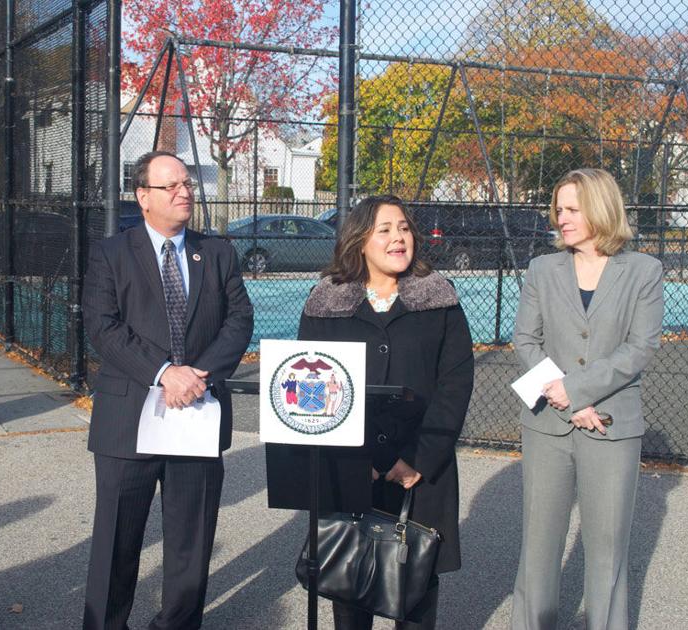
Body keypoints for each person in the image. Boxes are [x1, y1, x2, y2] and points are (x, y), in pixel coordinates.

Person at [266, 195, 475, 629]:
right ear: (360, 240)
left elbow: (455, 384)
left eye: (404, 228)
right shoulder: (326, 303)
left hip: (420, 468)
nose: (398, 237)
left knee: (415, 586)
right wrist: (361, 461)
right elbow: (316, 392)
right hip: (351, 466)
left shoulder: (439, 298)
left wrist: (418, 459)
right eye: (385, 229)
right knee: (349, 585)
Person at [81, 151, 254, 630]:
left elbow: (240, 320)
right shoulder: (112, 253)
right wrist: (163, 372)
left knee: (190, 544)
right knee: (116, 544)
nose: (185, 192)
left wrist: (198, 374)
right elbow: (103, 326)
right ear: (143, 197)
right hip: (128, 421)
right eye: (171, 185)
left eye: (188, 184)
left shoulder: (217, 252)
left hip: (197, 413)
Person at [510, 168, 664, 630]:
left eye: (572, 209)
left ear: (601, 208)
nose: (562, 217)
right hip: (547, 425)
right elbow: (525, 341)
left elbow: (640, 347)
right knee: (538, 546)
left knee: (607, 551)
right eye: (559, 209)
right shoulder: (542, 268)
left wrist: (579, 391)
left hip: (612, 425)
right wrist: (570, 400)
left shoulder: (644, 271)